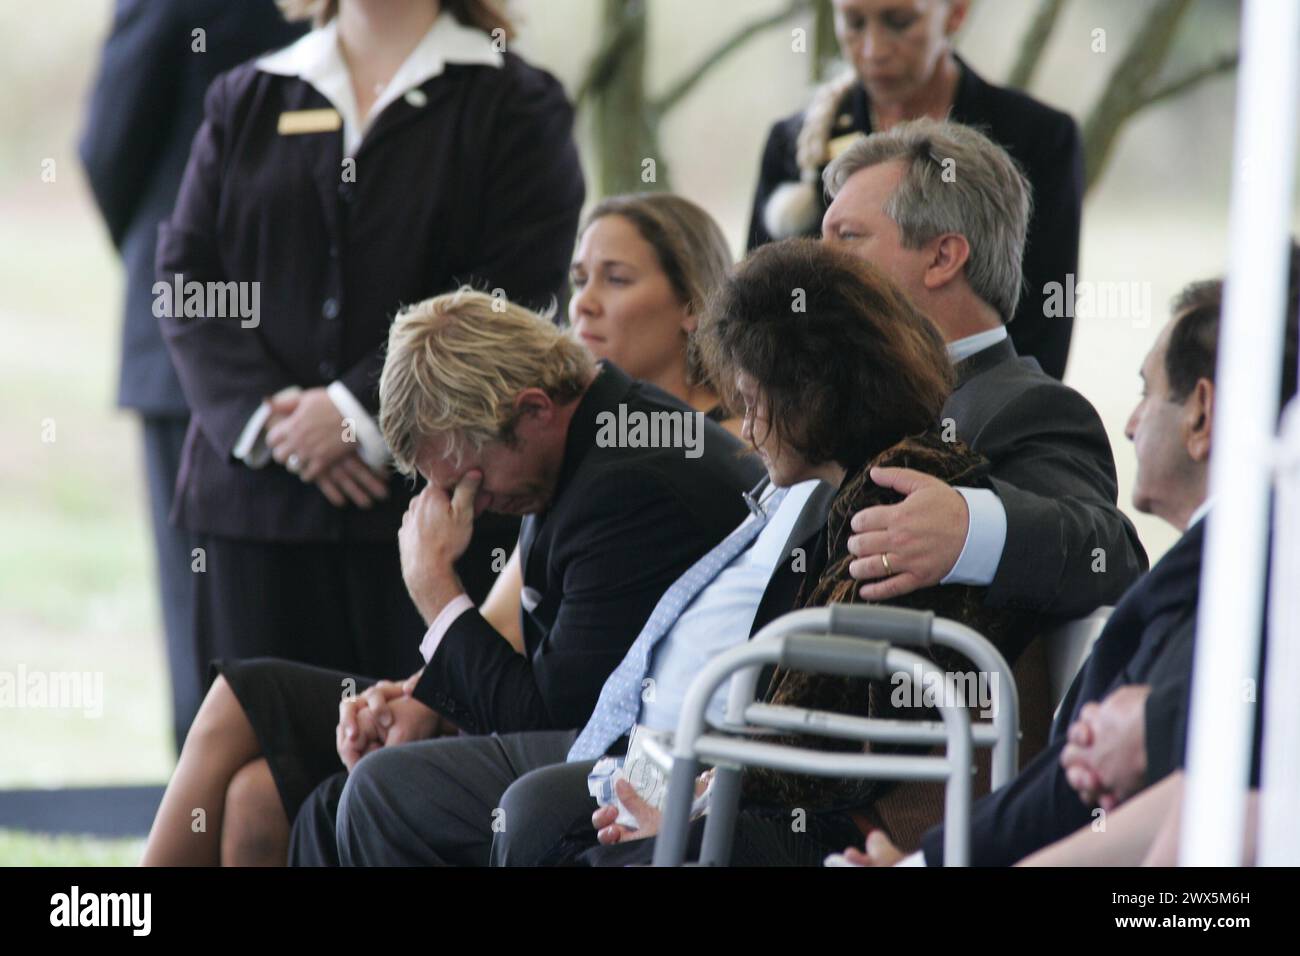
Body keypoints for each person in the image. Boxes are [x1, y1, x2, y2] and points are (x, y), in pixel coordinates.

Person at [141, 288, 759, 866]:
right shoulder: (585, 444)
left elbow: (552, 721)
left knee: (329, 786)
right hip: (592, 727)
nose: (471, 503)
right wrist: (427, 702)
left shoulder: (626, 483)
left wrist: (434, 586)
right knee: (254, 756)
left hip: (650, 757)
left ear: (534, 409)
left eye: (473, 479)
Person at [155, 0, 583, 687]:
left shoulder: (516, 103)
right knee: (249, 770)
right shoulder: (248, 94)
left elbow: (513, 289)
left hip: (435, 503)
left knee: (405, 770)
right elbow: (184, 278)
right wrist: (271, 420)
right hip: (254, 505)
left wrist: (357, 413)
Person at [840, 247, 1300, 866]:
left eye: (1147, 391)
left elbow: (1091, 787)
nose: (1132, 424)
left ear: (1202, 413)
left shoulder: (1245, 569)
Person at [78, 0, 306, 753]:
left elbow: (110, 151)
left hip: (301, 362)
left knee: (251, 632)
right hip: (209, 355)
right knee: (220, 635)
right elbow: (108, 150)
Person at [819, 119, 1145, 622]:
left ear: (943, 257)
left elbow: (1111, 555)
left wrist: (969, 529)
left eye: (848, 237)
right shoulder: (817, 399)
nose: (818, 265)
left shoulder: (1030, 407)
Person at [749, 0, 1083, 379]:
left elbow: (1048, 313)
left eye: (900, 22)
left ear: (956, 13)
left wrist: (1000, 412)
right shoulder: (795, 143)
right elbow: (762, 311)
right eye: (854, 23)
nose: (874, 49)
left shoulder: (1035, 137)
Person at [569, 194, 738, 431]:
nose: (583, 303)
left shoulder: (738, 447)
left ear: (693, 305)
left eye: (617, 279)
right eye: (580, 280)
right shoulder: (569, 427)